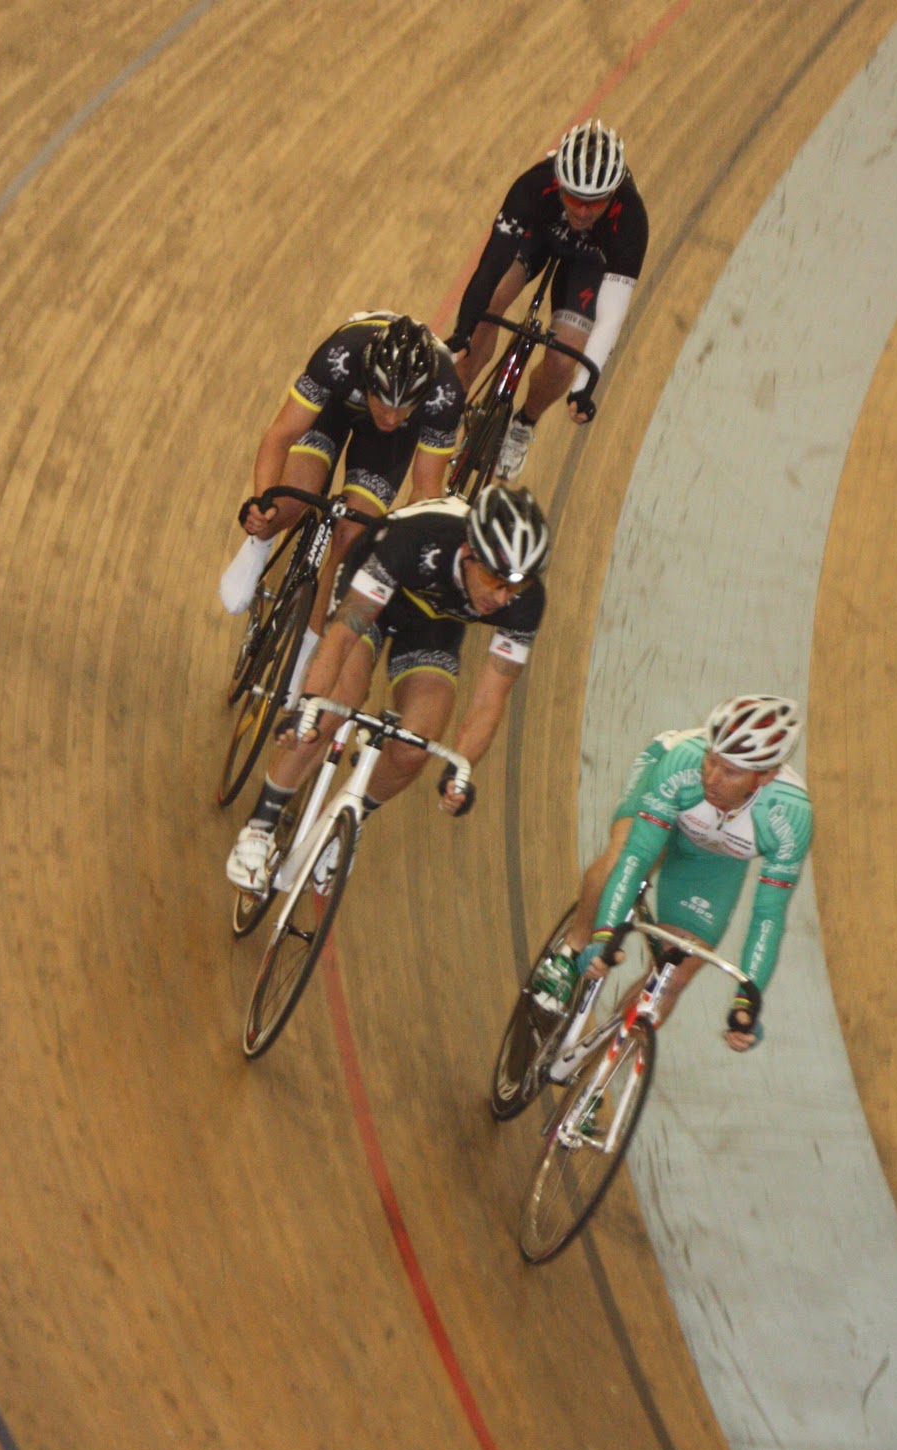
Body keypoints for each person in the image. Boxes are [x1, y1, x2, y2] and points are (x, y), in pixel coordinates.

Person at [226, 484, 551, 894]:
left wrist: (461, 769)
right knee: (332, 709)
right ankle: (259, 827)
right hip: (371, 599)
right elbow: (345, 634)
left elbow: (490, 698)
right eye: (493, 579)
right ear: (468, 551)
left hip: (434, 626)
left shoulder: (526, 603)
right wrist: (309, 702)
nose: (501, 597)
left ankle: (350, 818)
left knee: (415, 745)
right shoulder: (415, 540)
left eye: (515, 588)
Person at [531, 697, 813, 1052]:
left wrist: (747, 1001)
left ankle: (599, 1065)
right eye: (711, 759)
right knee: (619, 857)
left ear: (766, 776)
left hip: (714, 856)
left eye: (731, 772)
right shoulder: (684, 760)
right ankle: (569, 954)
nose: (712, 778)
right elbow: (638, 856)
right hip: (664, 795)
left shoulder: (789, 817)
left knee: (675, 972)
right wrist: (605, 933)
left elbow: (768, 917)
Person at [219, 312, 463, 699]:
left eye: (403, 409)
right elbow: (281, 435)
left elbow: (425, 492)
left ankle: (306, 653)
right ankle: (259, 545)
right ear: (367, 379)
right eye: (383, 402)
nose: (390, 416)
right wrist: (262, 501)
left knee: (352, 537)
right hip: (335, 410)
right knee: (294, 495)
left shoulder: (443, 394)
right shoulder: (340, 356)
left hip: (388, 449)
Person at [445, 119, 649, 481]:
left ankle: (524, 424)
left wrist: (585, 386)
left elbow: (611, 316)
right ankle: (448, 415)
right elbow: (491, 265)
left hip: (590, 261)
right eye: (574, 198)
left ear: (613, 194)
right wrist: (463, 329)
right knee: (486, 310)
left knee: (561, 358)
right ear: (560, 183)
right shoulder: (534, 184)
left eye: (595, 202)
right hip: (539, 235)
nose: (583, 212)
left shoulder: (631, 218)